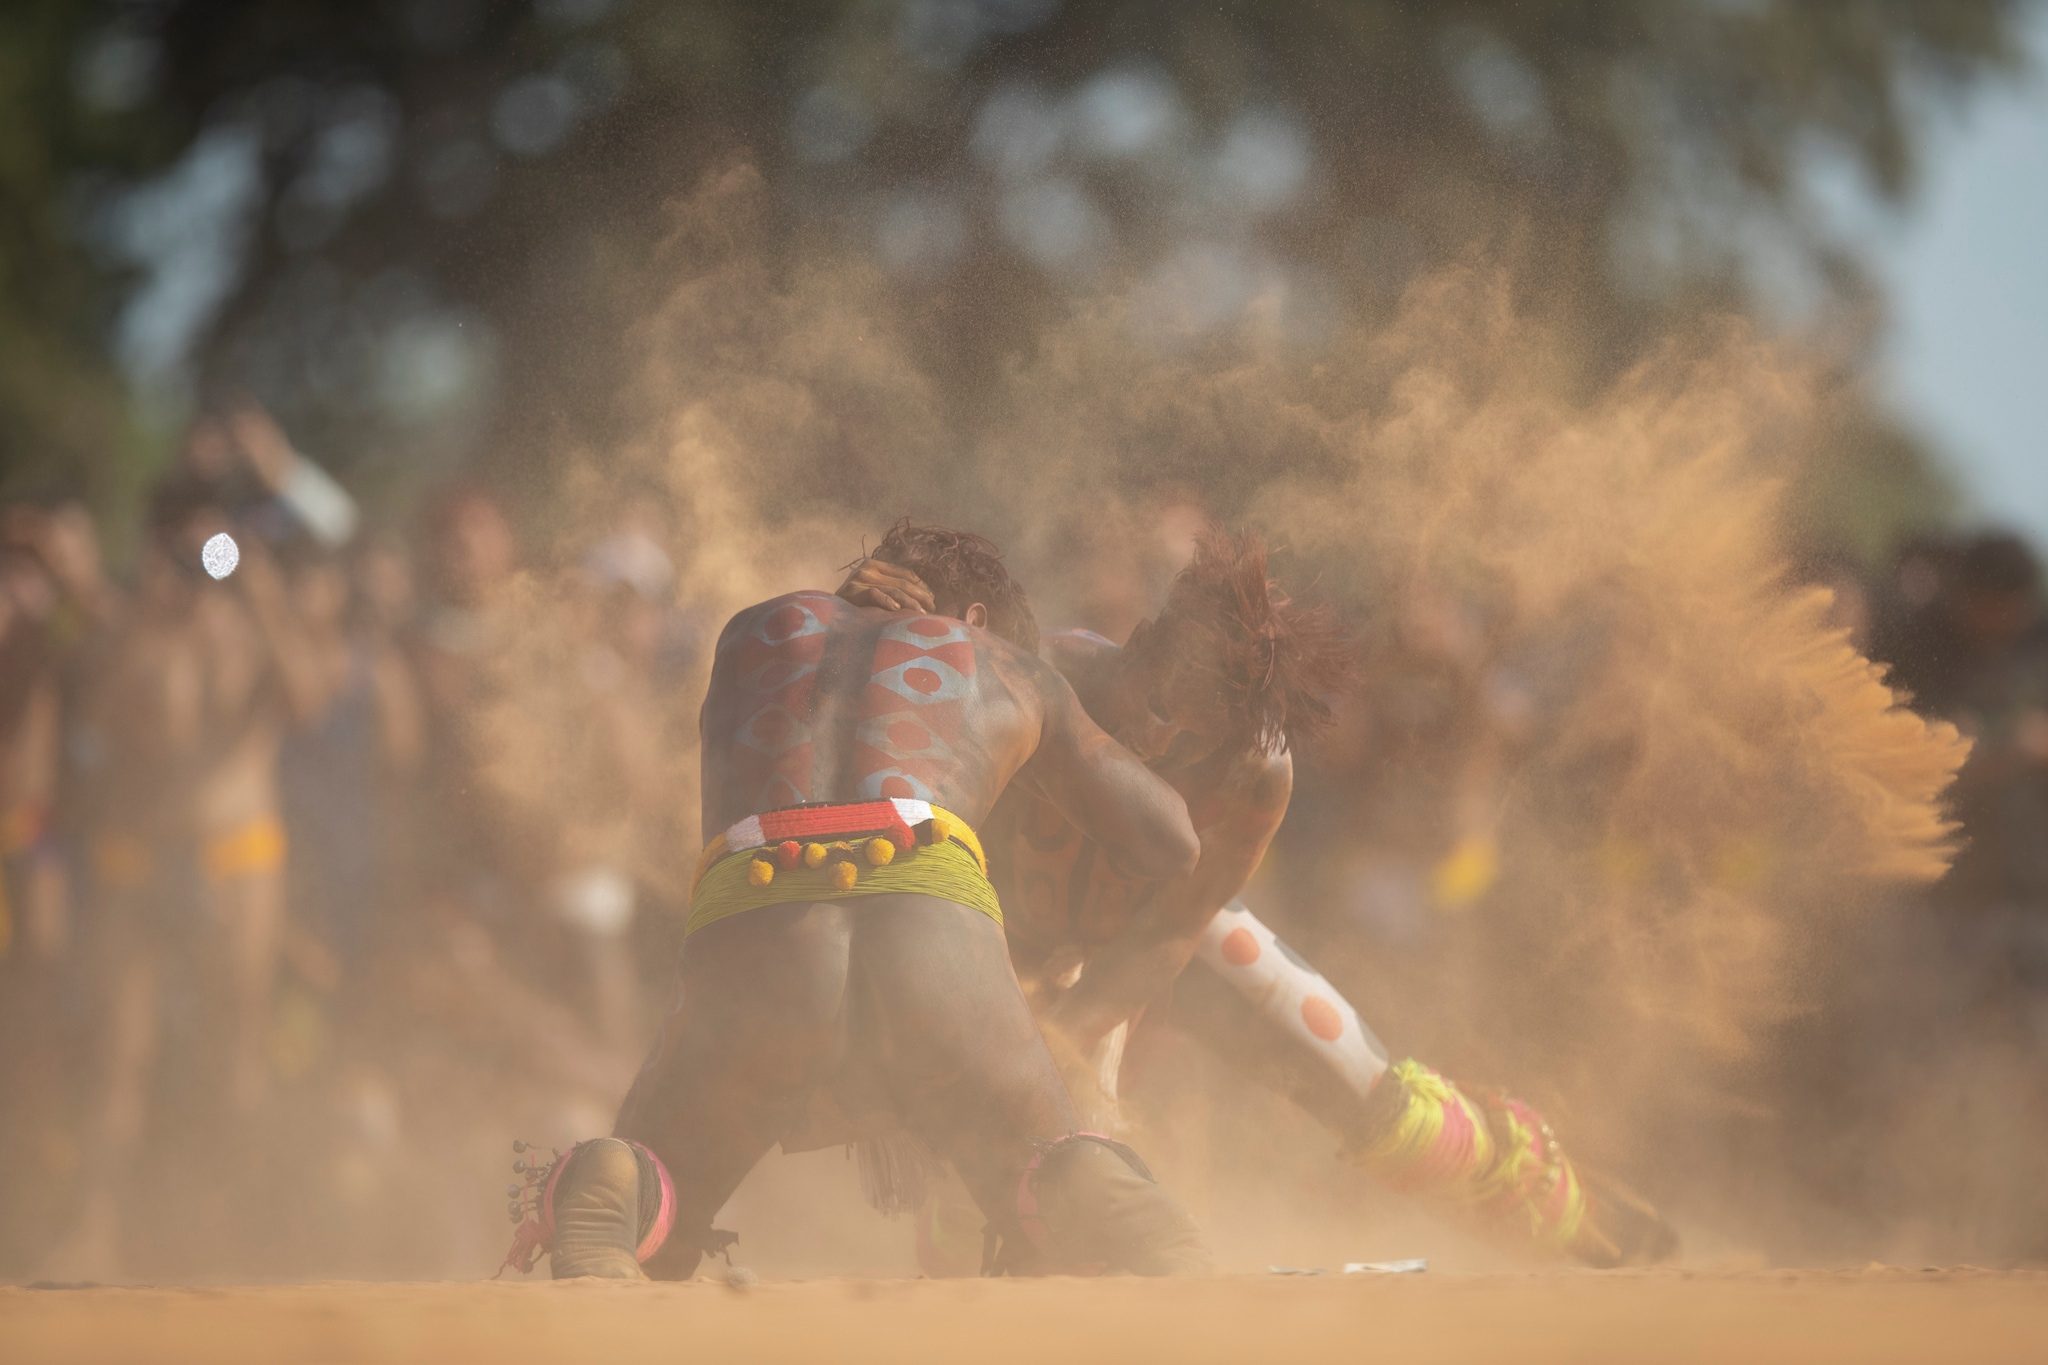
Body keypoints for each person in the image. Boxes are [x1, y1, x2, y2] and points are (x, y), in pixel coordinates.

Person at [840, 526, 1678, 1268]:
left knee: (1389, 1110)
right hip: (995, 950)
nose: (1159, 735)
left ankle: (1571, 1211)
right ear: (1143, 638)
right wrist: (862, 626)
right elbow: (886, 733)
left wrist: (1069, 1034)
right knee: (984, 1182)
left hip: (1155, 943)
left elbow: (1175, 926)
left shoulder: (1254, 769)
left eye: (1191, 732)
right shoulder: (1035, 675)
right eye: (1156, 699)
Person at [505, 522, 1210, 1281]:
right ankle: (1088, 1183)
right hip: (926, 898)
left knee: (664, 1166)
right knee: (1036, 1158)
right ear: (975, 619)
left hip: (761, 891)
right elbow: (1171, 842)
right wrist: (1035, 747)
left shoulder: (752, 630)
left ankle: (619, 1180)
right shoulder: (1007, 666)